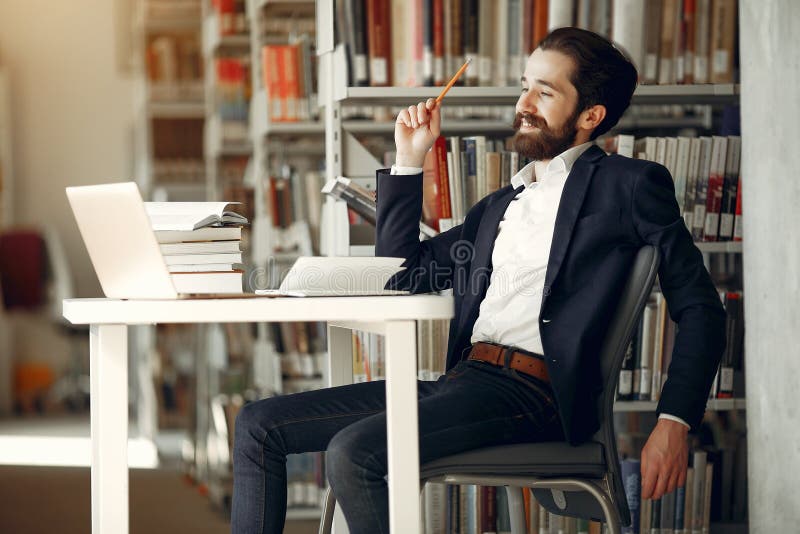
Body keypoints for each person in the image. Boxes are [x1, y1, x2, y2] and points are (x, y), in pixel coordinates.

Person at [231, 27, 725, 534]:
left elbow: (701, 308)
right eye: (525, 85)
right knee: (257, 425)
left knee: (355, 453)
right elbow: (404, 276)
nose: (523, 103)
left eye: (545, 92)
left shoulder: (628, 185)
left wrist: (675, 420)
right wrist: (409, 160)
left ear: (590, 116)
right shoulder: (498, 206)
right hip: (464, 384)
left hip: (534, 395)